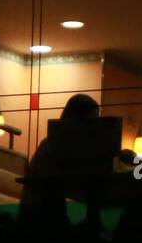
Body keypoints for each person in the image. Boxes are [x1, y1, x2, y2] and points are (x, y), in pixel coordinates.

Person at [20, 93, 101, 231]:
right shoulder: (55, 148)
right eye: (89, 123)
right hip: (43, 227)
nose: (92, 129)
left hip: (43, 223)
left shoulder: (51, 144)